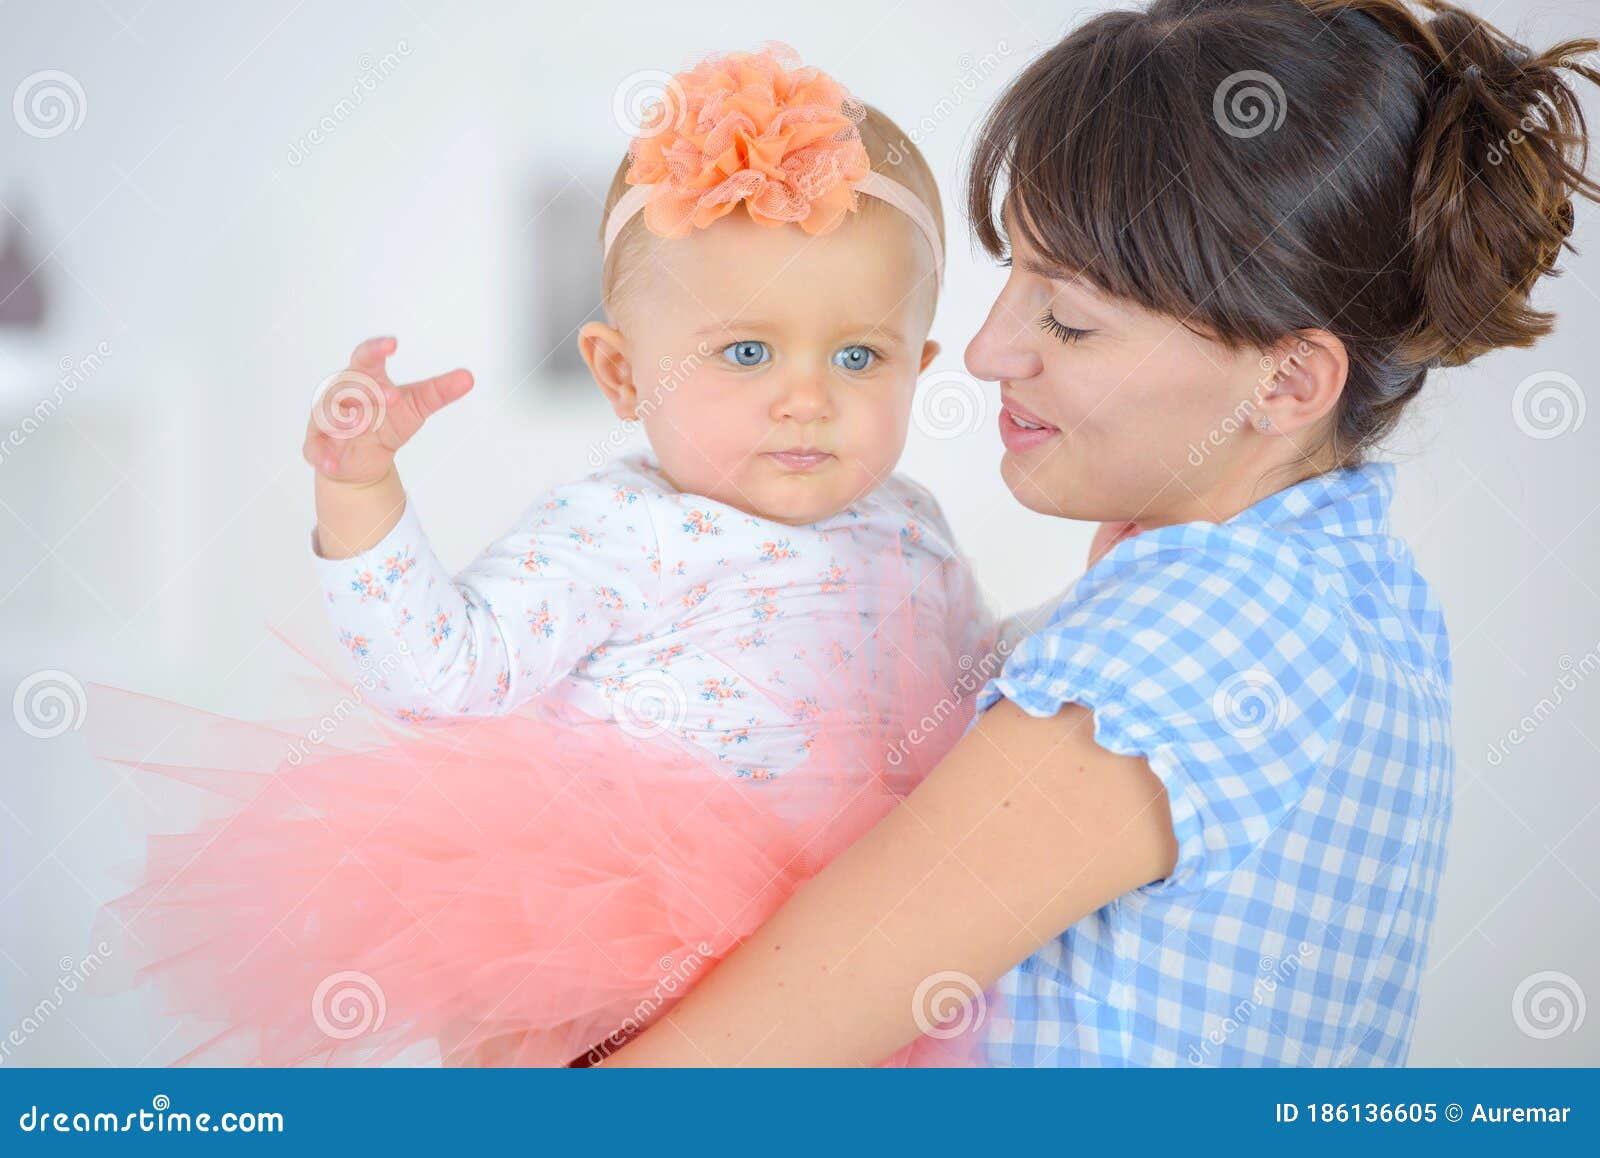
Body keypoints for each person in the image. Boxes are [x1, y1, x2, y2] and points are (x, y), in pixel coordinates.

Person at [601, 0, 1600, 1066]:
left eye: (1067, 320)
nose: (985, 352)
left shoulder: (1195, 630)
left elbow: (688, 1085)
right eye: (1012, 276)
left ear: (1290, 379)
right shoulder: (1344, 583)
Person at [93, 44, 994, 1067]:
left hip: (853, 943)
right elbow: (445, 673)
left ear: (917, 367)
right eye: (746, 352)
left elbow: (982, 685)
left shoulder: (911, 522)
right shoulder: (619, 529)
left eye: (857, 355)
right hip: (627, 945)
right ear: (621, 373)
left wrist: (1103, 590)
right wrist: (360, 491)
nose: (806, 395)